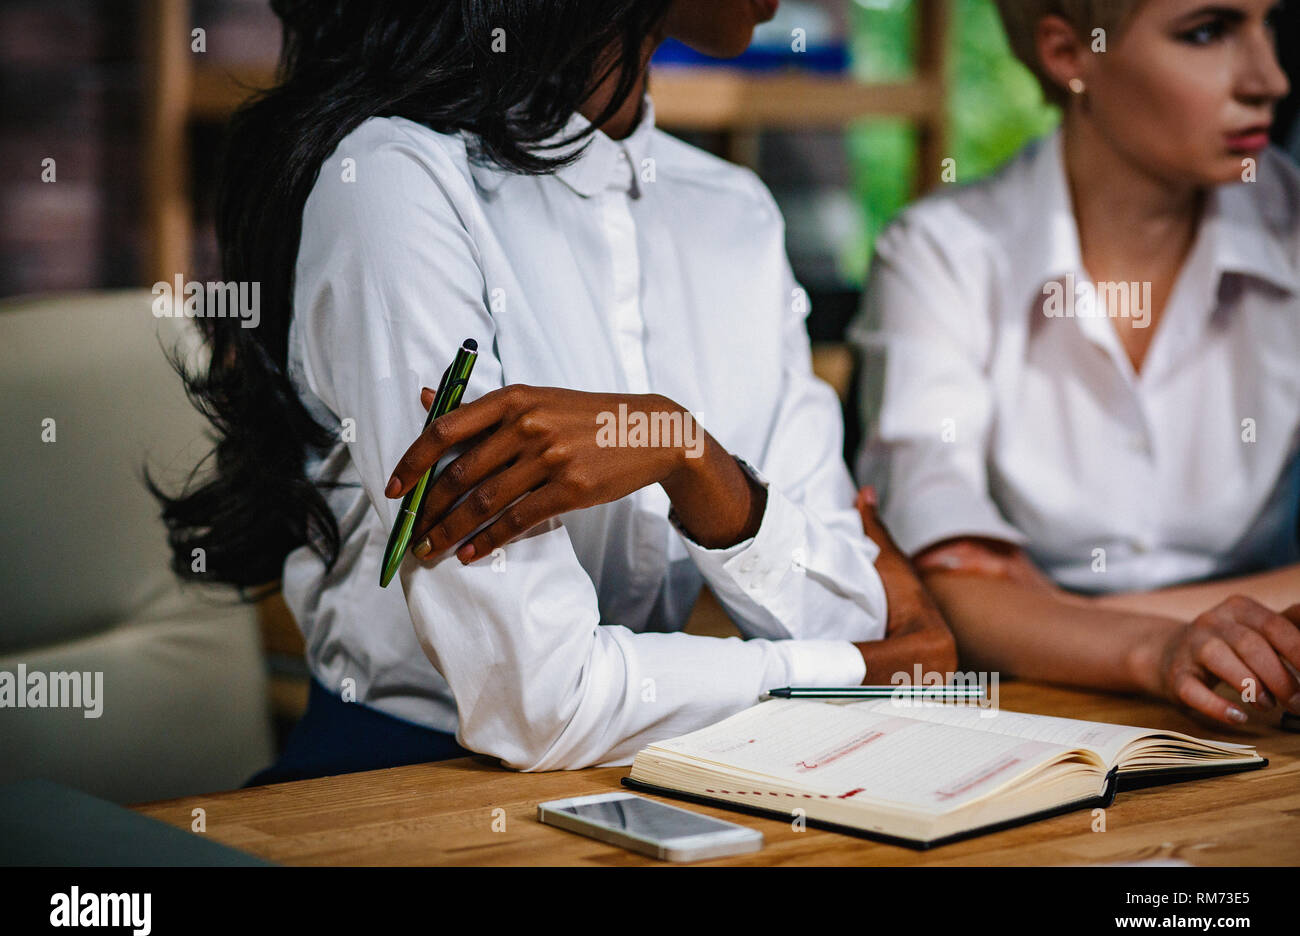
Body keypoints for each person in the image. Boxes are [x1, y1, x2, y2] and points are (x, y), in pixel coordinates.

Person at [151, 0, 955, 783]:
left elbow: (851, 616)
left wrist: (693, 460)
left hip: (666, 777)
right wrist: (854, 673)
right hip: (404, 787)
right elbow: (539, 698)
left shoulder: (735, 213)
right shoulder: (393, 184)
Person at [851, 0, 1300, 729]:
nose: (1270, 78)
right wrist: (1160, 646)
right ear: (1068, 54)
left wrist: (1047, 619)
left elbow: (968, 604)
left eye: (1271, 23)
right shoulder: (944, 252)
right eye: (1208, 32)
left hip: (1257, 704)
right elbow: (947, 584)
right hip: (1030, 718)